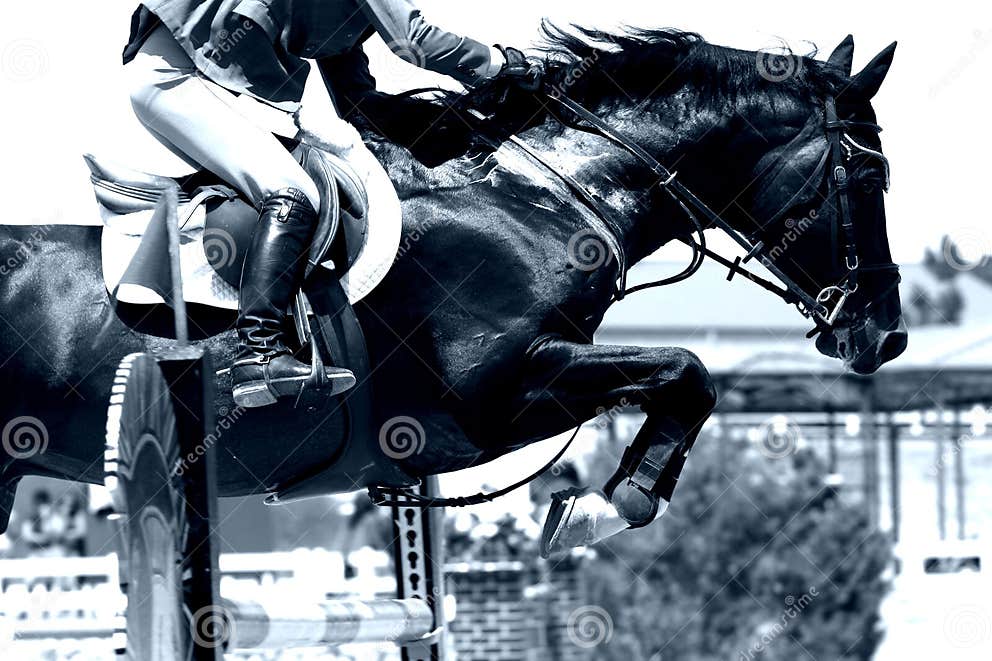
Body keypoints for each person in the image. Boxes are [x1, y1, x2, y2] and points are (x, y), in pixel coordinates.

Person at [121, 1, 543, 408]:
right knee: (290, 191)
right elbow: (416, 41)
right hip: (177, 77)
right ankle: (258, 354)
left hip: (194, 77)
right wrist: (504, 64)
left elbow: (355, 95)